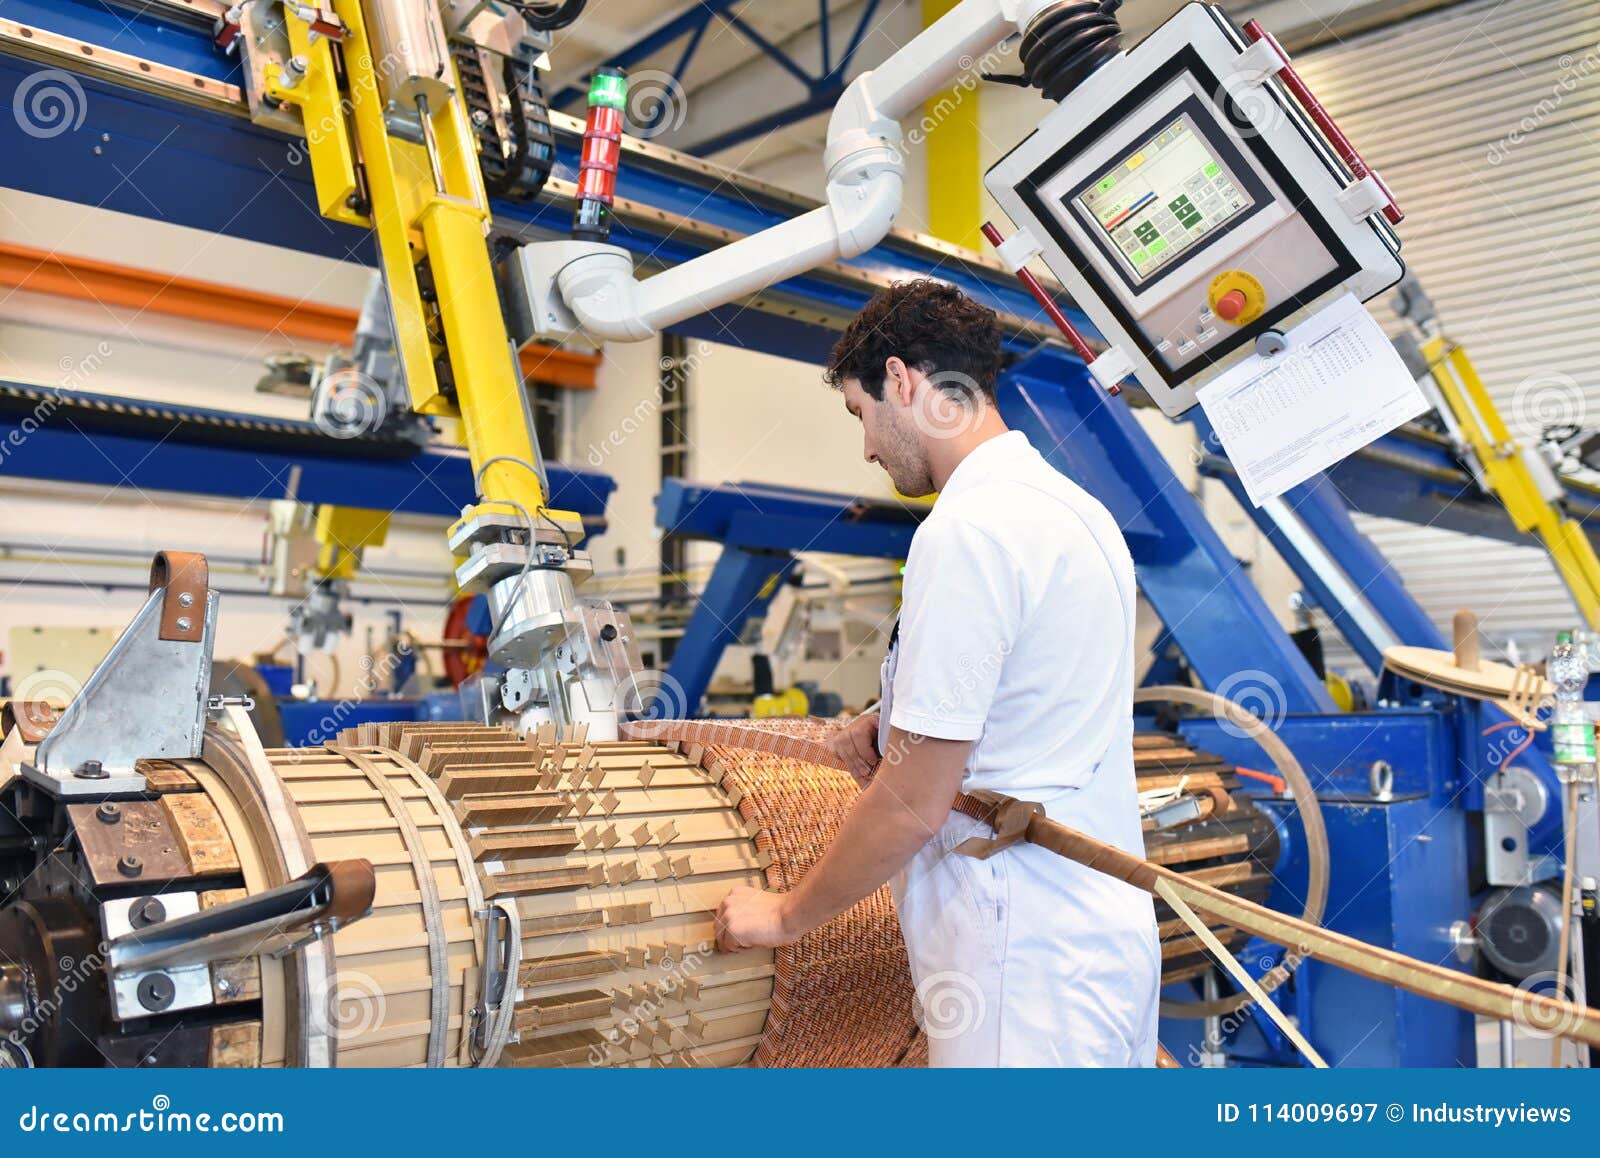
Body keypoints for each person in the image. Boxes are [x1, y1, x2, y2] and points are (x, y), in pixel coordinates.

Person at [713, 278, 1159, 1066]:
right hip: (1103, 946)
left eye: (861, 415)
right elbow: (1030, 699)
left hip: (1019, 970)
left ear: (902, 380)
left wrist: (784, 916)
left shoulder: (966, 532)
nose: (868, 449)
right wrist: (890, 723)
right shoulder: (1078, 512)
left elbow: (914, 802)